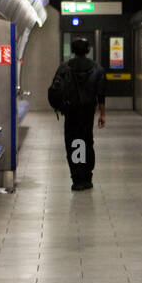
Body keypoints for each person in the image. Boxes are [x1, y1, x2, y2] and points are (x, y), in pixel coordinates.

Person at [54, 37, 106, 190]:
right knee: (86, 141)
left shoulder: (64, 68)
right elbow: (101, 94)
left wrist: (60, 106)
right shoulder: (97, 69)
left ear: (73, 50)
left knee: (73, 143)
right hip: (87, 112)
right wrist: (102, 114)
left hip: (71, 112)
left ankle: (77, 178)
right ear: (88, 50)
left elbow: (56, 90)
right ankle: (87, 177)